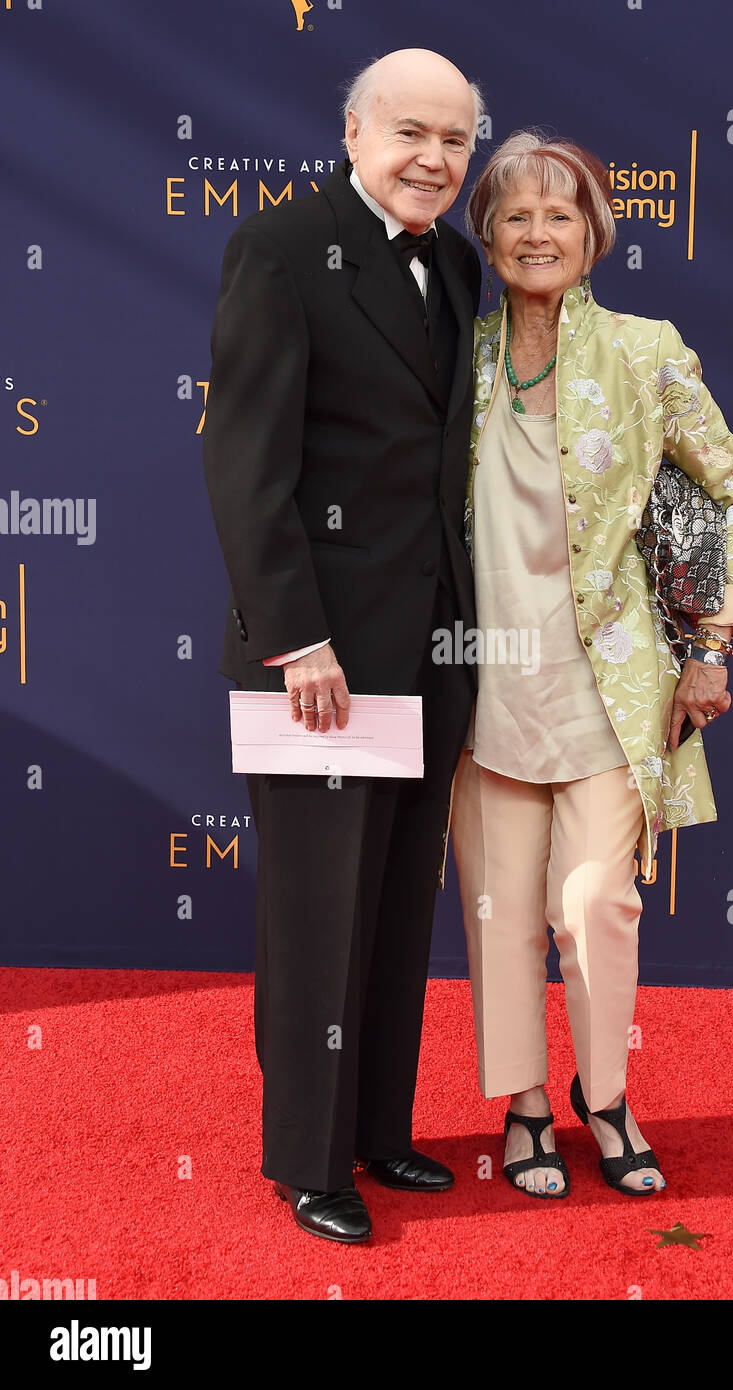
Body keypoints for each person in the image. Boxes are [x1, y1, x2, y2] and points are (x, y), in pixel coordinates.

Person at [450, 131, 733, 1198]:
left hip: (608, 685)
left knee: (595, 903)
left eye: (560, 214)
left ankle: (604, 1095)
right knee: (499, 907)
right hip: (478, 684)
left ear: (593, 233)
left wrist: (711, 645)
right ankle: (524, 1105)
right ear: (486, 236)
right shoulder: (454, 353)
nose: (537, 233)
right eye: (515, 215)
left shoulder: (645, 350)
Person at [202, 50, 483, 1243]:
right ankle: (306, 1161)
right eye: (411, 132)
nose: (433, 159)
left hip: (432, 644)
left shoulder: (457, 262)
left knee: (390, 908)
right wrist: (296, 637)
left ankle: (376, 1130)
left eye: (456, 142)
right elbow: (244, 463)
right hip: (320, 660)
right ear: (355, 131)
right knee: (320, 909)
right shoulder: (282, 245)